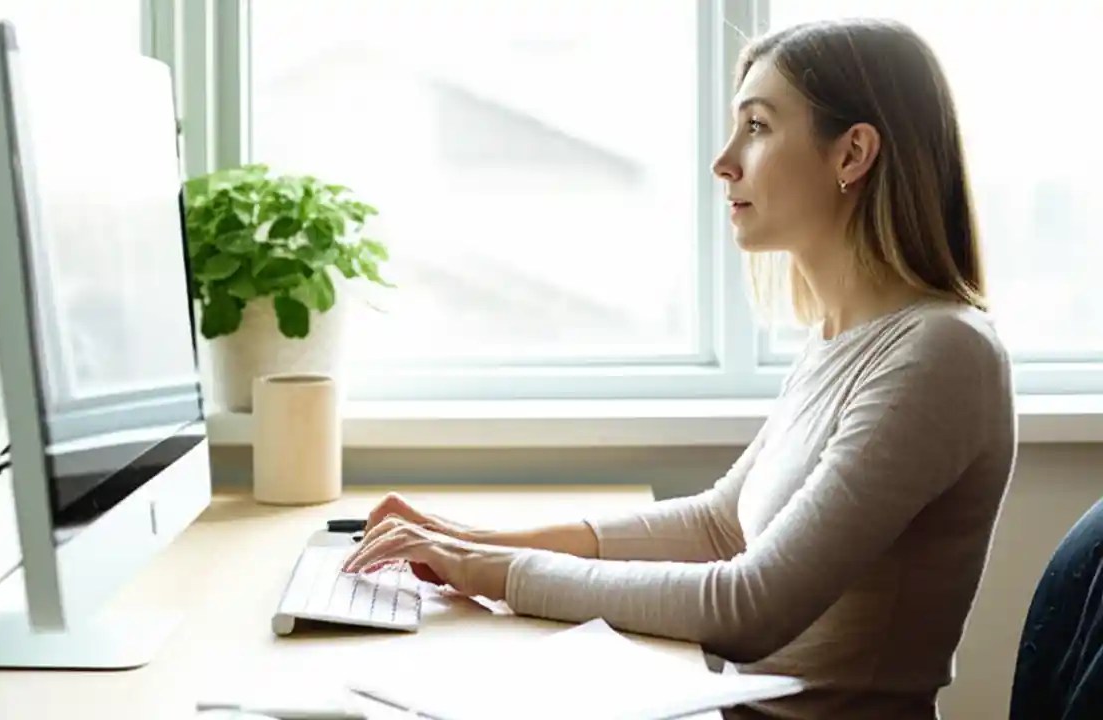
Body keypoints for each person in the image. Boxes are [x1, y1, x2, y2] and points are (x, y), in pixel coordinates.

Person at [343, 17, 1016, 719]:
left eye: (757, 127)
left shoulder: (941, 354)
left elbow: (751, 608)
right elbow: (719, 528)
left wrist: (499, 573)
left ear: (852, 155)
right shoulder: (839, 338)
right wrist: (471, 543)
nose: (724, 161)